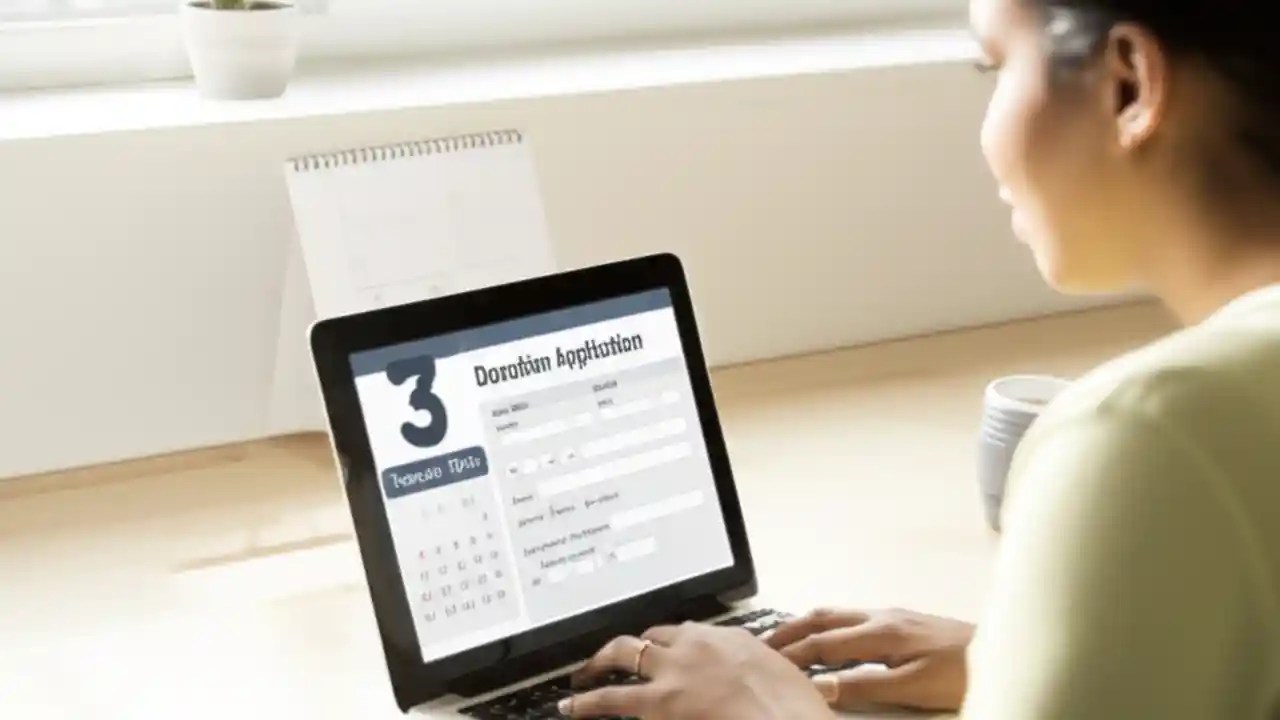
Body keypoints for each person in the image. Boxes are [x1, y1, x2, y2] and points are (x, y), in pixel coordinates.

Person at [555, 0, 1280, 717]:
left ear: (1129, 85)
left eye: (995, 66)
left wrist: (764, 705)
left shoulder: (1149, 436)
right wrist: (1031, 659)